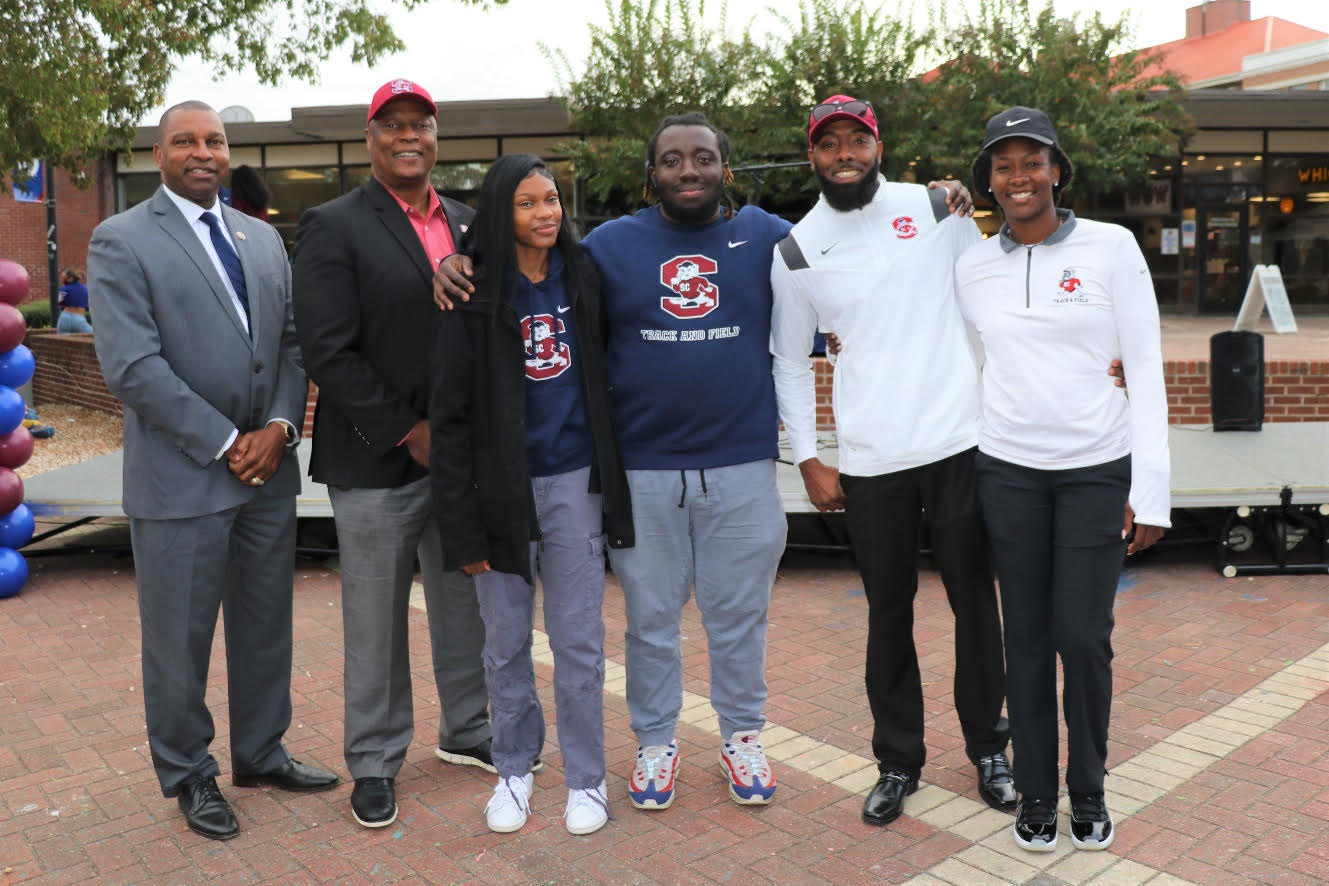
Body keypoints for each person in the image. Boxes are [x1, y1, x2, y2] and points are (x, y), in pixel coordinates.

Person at [88, 100, 337, 841]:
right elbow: (131, 367)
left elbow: (291, 344)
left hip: (266, 471)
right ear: (158, 155)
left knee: (265, 626)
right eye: (185, 141)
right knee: (179, 638)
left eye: (215, 140)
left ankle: (260, 752)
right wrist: (231, 439)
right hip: (184, 475)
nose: (203, 152)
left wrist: (283, 428)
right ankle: (188, 771)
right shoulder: (120, 240)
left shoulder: (262, 240)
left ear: (228, 153)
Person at [769, 95, 1014, 827]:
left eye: (857, 140)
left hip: (959, 443)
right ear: (811, 156)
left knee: (975, 605)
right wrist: (809, 458)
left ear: (878, 145)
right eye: (828, 144)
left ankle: (989, 750)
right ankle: (897, 760)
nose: (844, 154)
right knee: (887, 614)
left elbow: (988, 307)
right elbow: (787, 359)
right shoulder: (796, 249)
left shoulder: (939, 210)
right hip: (871, 459)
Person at [955, 106, 1170, 852]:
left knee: (1082, 640)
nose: (1018, 177)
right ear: (988, 179)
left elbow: (1142, 366)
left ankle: (1089, 789)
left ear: (1056, 170)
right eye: (1003, 165)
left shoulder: (1112, 247)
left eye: (1031, 161)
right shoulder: (972, 265)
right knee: (1027, 643)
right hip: (1007, 472)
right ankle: (1037, 795)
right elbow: (965, 360)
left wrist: (1152, 492)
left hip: (1094, 473)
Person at [292, 79, 494, 830]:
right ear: (370, 137)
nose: (408, 136)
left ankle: (468, 729)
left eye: (421, 124)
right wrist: (409, 430)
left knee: (463, 602)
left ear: (436, 135)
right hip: (379, 457)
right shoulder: (333, 224)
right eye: (393, 125)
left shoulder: (472, 223)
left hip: (462, 458)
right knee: (374, 618)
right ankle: (374, 761)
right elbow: (327, 349)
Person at [429, 154, 633, 836]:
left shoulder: (584, 276)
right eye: (527, 203)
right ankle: (514, 768)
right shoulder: (471, 295)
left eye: (551, 200)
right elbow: (451, 422)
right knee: (505, 642)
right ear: (498, 213)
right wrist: (462, 528)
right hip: (500, 494)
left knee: (578, 642)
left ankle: (586, 779)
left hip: (575, 481)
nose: (546, 213)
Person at [57, 268, 93, 334]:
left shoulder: (63, 289)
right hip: (79, 319)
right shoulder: (85, 289)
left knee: (62, 342)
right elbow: (89, 306)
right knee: (94, 336)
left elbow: (60, 303)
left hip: (64, 318)